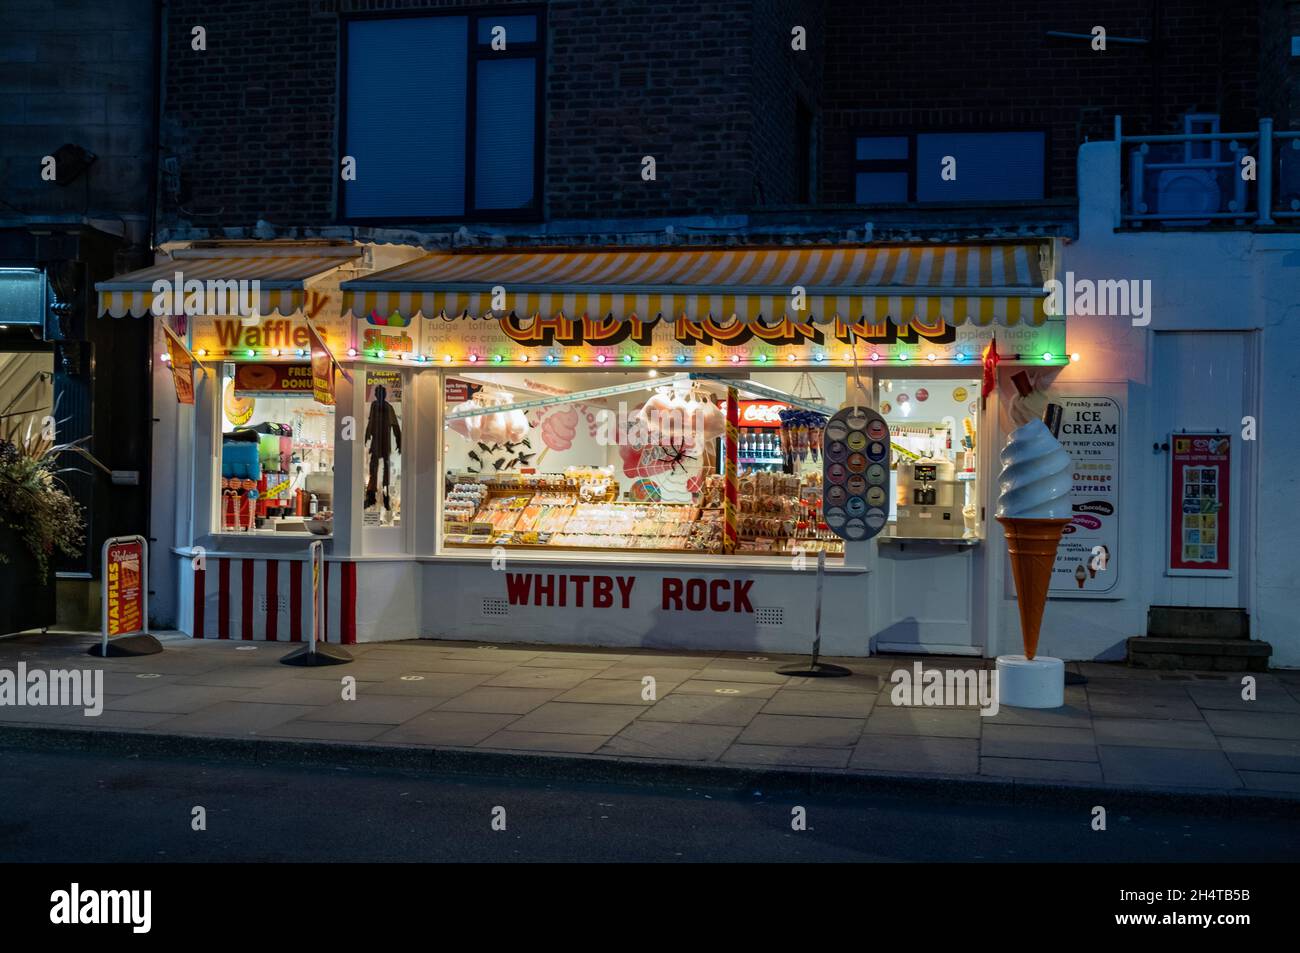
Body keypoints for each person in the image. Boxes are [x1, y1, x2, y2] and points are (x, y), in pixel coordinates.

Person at [365, 384, 402, 510]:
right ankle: (371, 495)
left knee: (385, 468)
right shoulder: (374, 406)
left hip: (385, 443)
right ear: (376, 395)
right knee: (373, 467)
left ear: (384, 395)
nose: (379, 396)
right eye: (378, 394)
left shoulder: (388, 407)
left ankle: (385, 497)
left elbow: (396, 426)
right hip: (377, 442)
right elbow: (371, 421)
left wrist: (399, 441)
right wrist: (366, 436)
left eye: (382, 394)